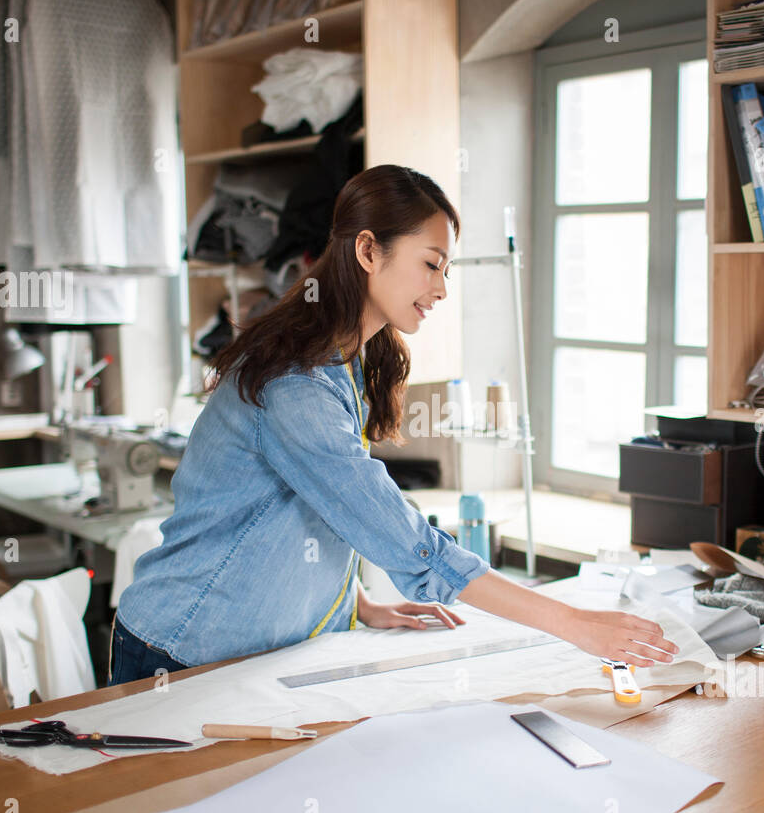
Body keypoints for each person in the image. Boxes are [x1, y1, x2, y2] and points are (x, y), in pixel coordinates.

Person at [109, 164, 675, 684]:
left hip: (252, 655)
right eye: (431, 264)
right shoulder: (295, 382)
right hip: (181, 649)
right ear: (368, 251)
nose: (441, 288)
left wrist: (356, 603)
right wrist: (574, 624)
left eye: (446, 269)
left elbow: (308, 511)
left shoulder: (345, 359)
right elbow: (402, 537)